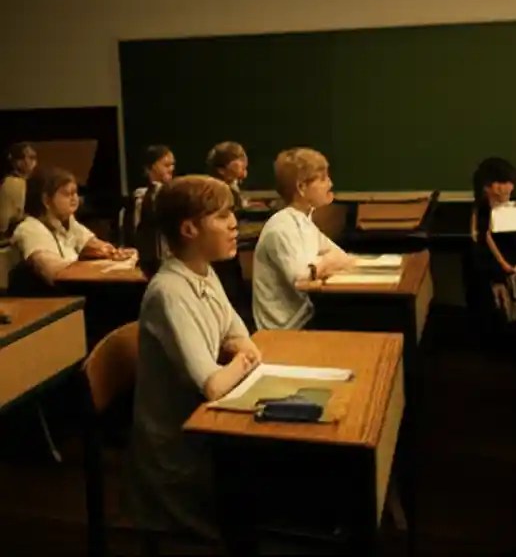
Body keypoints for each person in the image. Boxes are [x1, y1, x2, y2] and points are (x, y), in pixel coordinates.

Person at [128, 175, 260, 540]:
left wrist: (239, 356)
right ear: (189, 228)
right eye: (221, 216)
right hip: (182, 454)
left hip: (205, 430)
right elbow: (214, 385)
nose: (234, 223)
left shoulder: (204, 273)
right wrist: (240, 360)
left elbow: (242, 338)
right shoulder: (169, 291)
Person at [252, 148, 355, 330]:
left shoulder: (304, 221)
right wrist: (324, 263)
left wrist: (321, 265)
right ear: (301, 187)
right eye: (322, 179)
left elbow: (341, 256)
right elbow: (302, 279)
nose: (330, 184)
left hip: (304, 317)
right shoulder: (282, 226)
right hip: (284, 330)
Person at [11, 166, 133, 289]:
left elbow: (93, 244)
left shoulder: (69, 221)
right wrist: (94, 268)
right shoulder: (29, 228)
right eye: (67, 194)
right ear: (46, 200)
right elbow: (54, 272)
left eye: (75, 193)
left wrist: (113, 253)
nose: (74, 198)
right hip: (48, 299)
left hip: (75, 293)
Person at [469, 157, 516, 323]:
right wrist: (504, 267)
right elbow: (485, 241)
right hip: (493, 277)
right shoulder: (481, 215)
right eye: (496, 183)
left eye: (507, 182)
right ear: (485, 188)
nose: (503, 189)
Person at [131, 145, 176, 267]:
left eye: (172, 165)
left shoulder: (176, 192)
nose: (171, 169)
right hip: (150, 258)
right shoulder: (141, 196)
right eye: (166, 165)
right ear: (150, 167)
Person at [0, 142, 37, 236]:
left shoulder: (31, 182)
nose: (29, 162)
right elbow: (6, 221)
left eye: (33, 158)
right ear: (15, 161)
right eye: (21, 158)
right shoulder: (12, 183)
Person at [207, 142, 250, 211]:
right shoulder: (216, 194)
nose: (244, 160)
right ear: (221, 170)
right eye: (237, 158)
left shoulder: (233, 185)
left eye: (242, 156)